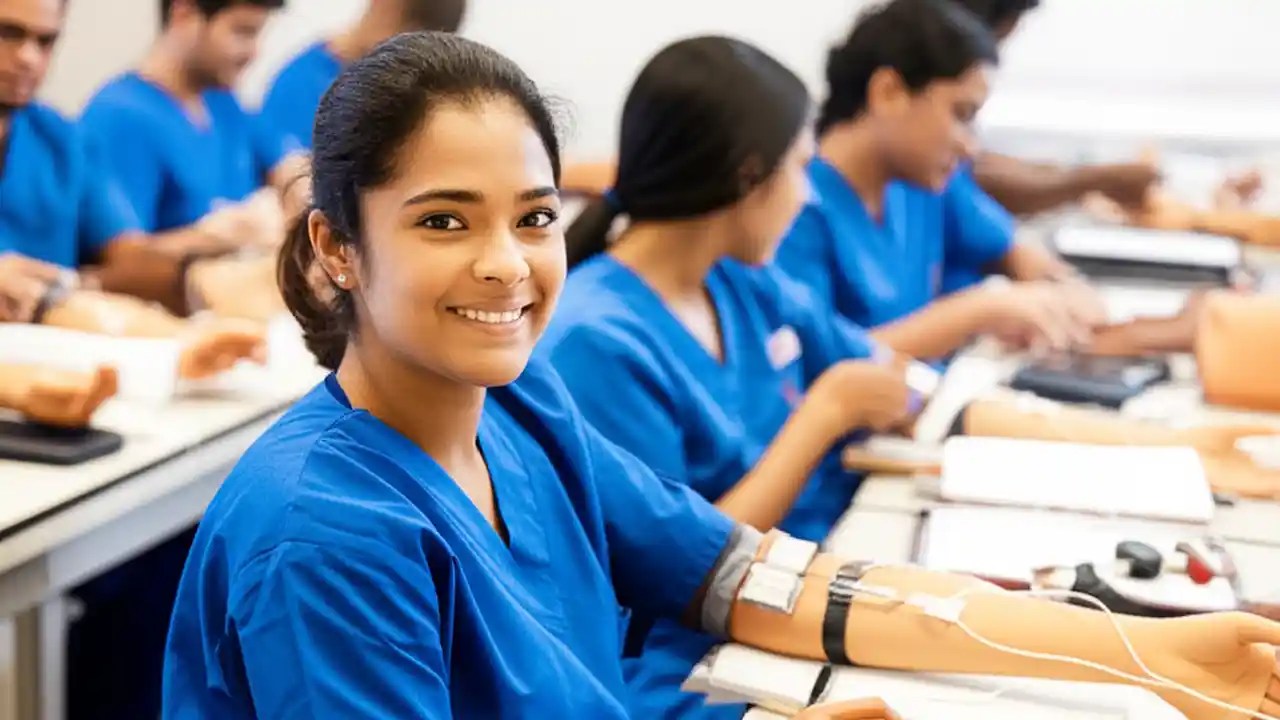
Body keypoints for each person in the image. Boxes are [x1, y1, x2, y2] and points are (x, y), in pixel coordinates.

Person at [162, 31, 1280, 720]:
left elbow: (766, 581)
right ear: (335, 247)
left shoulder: (520, 409)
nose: (506, 264)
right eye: (444, 221)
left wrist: (1142, 649)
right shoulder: (327, 535)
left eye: (535, 218)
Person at [545, 37, 918, 720]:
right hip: (697, 660)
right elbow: (685, 563)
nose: (807, 197)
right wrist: (824, 415)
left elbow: (885, 372)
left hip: (805, 587)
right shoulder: (594, 339)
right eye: (800, 169)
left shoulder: (742, 279)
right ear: (749, 176)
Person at [775, 0, 1102, 362]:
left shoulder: (923, 186)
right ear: (889, 92)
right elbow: (820, 363)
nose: (970, 146)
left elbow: (1012, 250)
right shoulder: (795, 209)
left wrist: (1060, 295)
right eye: (961, 114)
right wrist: (979, 311)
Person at [0, 0, 283, 315]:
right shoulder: (120, 114)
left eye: (45, 41)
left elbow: (127, 255)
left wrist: (204, 276)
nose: (28, 57)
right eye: (7, 33)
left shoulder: (61, 142)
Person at [79, 0, 306, 243]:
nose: (254, 52)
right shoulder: (119, 119)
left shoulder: (222, 100)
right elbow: (121, 260)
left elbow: (286, 161)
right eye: (242, 32)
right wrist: (217, 237)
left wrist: (298, 188)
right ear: (183, 15)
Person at [949, 0, 1163, 216]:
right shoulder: (942, 72)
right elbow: (969, 180)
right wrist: (1095, 180)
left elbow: (972, 162)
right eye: (999, 38)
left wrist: (1076, 174)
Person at [260, 0, 467, 150]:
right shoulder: (300, 85)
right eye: (403, 33)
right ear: (382, 5)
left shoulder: (412, 95)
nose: (404, 56)